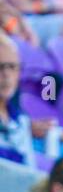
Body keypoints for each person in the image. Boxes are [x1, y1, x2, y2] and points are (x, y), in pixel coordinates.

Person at [0, 32, 34, 167]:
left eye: (12, 67)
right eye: (0, 67)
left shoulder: (21, 120)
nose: (6, 75)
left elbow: (31, 172)